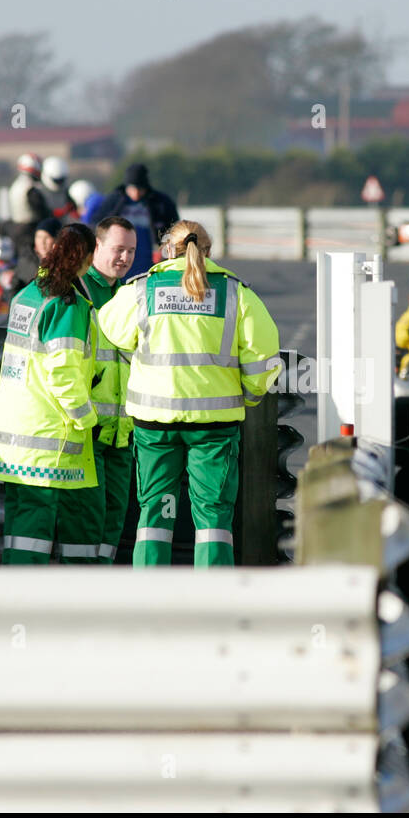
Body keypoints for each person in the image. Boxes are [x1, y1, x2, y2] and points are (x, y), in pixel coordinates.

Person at [98, 220, 280, 567]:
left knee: (154, 513)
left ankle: (150, 597)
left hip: (154, 423)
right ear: (208, 251)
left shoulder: (143, 288)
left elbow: (111, 327)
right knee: (213, 517)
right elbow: (264, 358)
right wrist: (251, 396)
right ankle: (213, 602)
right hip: (214, 427)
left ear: (168, 251)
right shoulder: (236, 293)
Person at [0, 222, 103, 564]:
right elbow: (63, 374)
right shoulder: (67, 304)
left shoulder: (28, 294)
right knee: (37, 520)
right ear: (85, 258)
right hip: (46, 433)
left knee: (20, 518)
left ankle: (14, 588)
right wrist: (85, 418)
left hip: (13, 430)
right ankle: (27, 594)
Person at [83, 216, 138, 565]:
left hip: (123, 428)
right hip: (88, 426)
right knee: (90, 512)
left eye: (131, 251)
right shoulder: (78, 290)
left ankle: (102, 575)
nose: (125, 258)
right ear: (97, 247)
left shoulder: (130, 292)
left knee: (116, 510)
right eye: (118, 249)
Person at [91, 163, 179, 280]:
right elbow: (96, 226)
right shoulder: (114, 200)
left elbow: (175, 229)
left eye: (140, 189)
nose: (136, 193)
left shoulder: (161, 203)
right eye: (132, 189)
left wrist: (163, 249)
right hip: (119, 263)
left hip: (149, 262)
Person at [9, 153, 51, 287]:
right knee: (35, 262)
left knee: (21, 263)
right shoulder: (31, 189)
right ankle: (38, 285)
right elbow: (41, 211)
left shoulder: (15, 186)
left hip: (16, 229)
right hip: (30, 231)